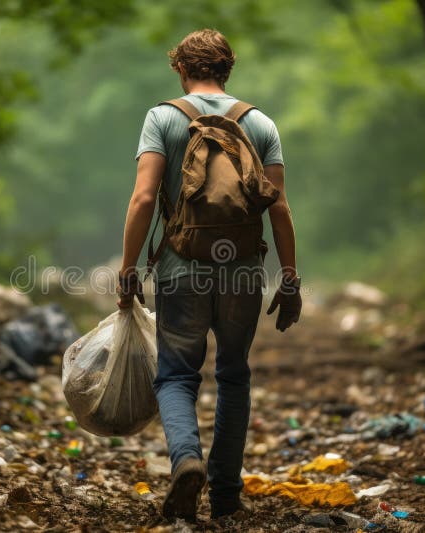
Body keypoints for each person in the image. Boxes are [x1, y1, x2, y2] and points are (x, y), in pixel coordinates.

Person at [117, 29, 302, 522]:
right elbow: (278, 207)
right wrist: (290, 278)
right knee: (234, 375)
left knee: (177, 374)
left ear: (181, 68)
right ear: (227, 70)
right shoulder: (260, 123)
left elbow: (143, 198)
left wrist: (128, 269)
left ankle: (186, 463)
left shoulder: (163, 117)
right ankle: (224, 496)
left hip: (182, 267)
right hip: (243, 270)